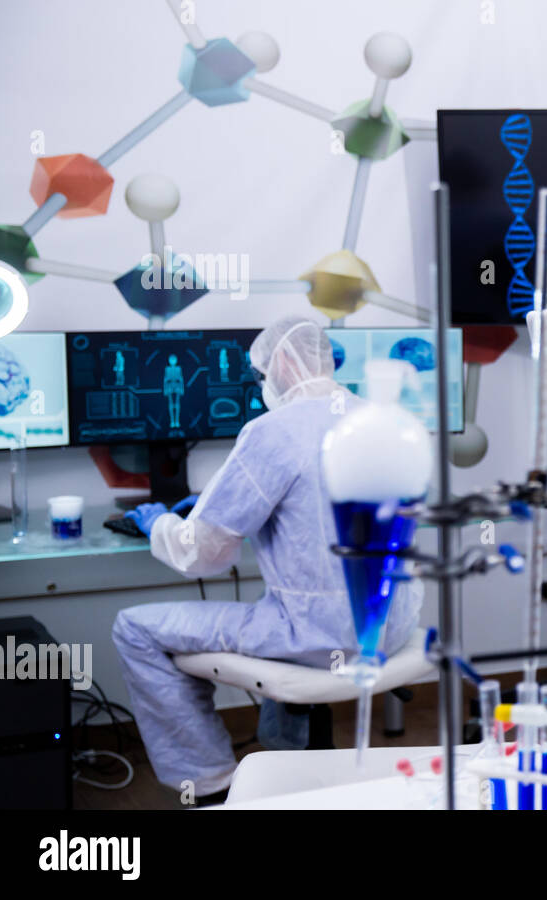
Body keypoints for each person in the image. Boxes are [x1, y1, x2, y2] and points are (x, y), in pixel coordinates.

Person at [112, 317, 421, 801]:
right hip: (394, 624)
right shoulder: (384, 419)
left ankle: (212, 783)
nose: (263, 386)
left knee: (134, 627)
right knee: (274, 603)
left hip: (321, 635)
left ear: (280, 362)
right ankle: (288, 753)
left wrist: (160, 526)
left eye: (261, 375)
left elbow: (204, 554)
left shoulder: (273, 432)